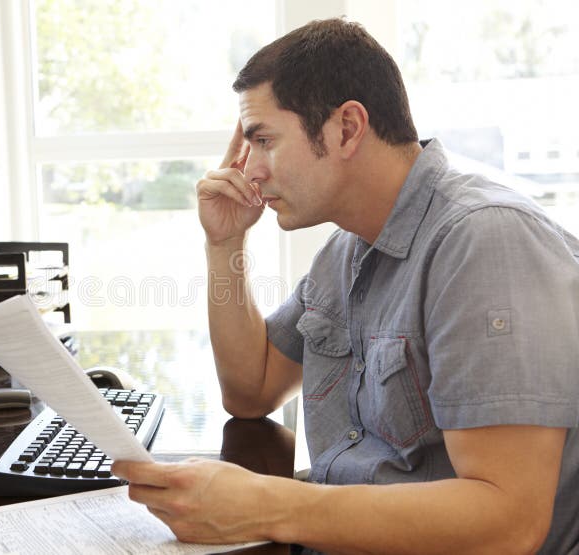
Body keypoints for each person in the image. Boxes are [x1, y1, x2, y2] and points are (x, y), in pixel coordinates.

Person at [112, 18, 579, 554]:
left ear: (347, 128)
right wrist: (224, 246)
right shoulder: (347, 250)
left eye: (263, 140)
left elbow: (508, 522)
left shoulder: (485, 241)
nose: (250, 170)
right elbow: (250, 389)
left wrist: (267, 505)